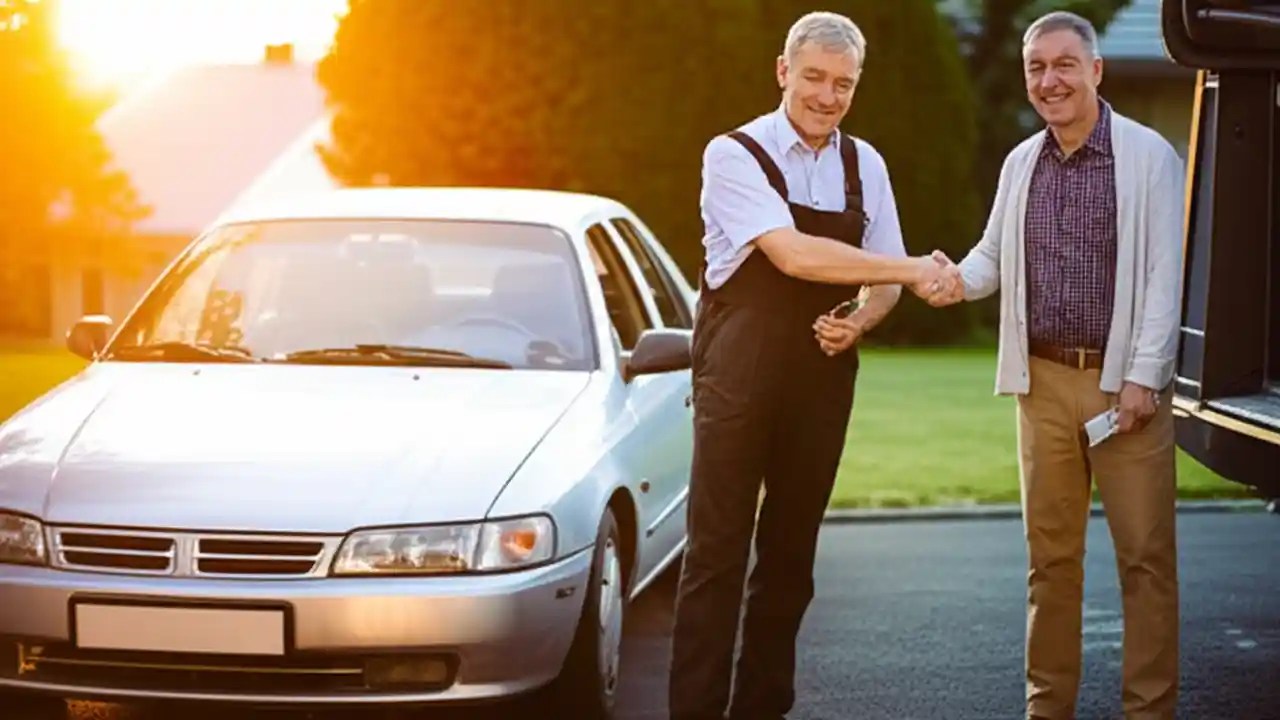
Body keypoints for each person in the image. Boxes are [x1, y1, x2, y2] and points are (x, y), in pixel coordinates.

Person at [667, 11, 955, 720]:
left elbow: (879, 286)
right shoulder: (733, 154)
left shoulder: (866, 164)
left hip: (821, 379)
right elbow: (794, 254)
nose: (828, 97)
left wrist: (859, 320)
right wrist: (917, 269)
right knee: (716, 557)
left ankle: (763, 708)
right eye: (816, 78)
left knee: (791, 560)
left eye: (845, 85)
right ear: (783, 71)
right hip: (737, 369)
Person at [928, 11, 1184, 720]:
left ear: (1096, 71)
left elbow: (1166, 278)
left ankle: (1150, 710)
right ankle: (1048, 709)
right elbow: (992, 260)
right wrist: (953, 279)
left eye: (1065, 64)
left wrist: (1143, 376)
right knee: (1050, 565)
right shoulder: (1021, 163)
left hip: (1123, 390)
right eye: (1037, 67)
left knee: (1146, 562)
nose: (1050, 80)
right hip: (1039, 386)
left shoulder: (1149, 157)